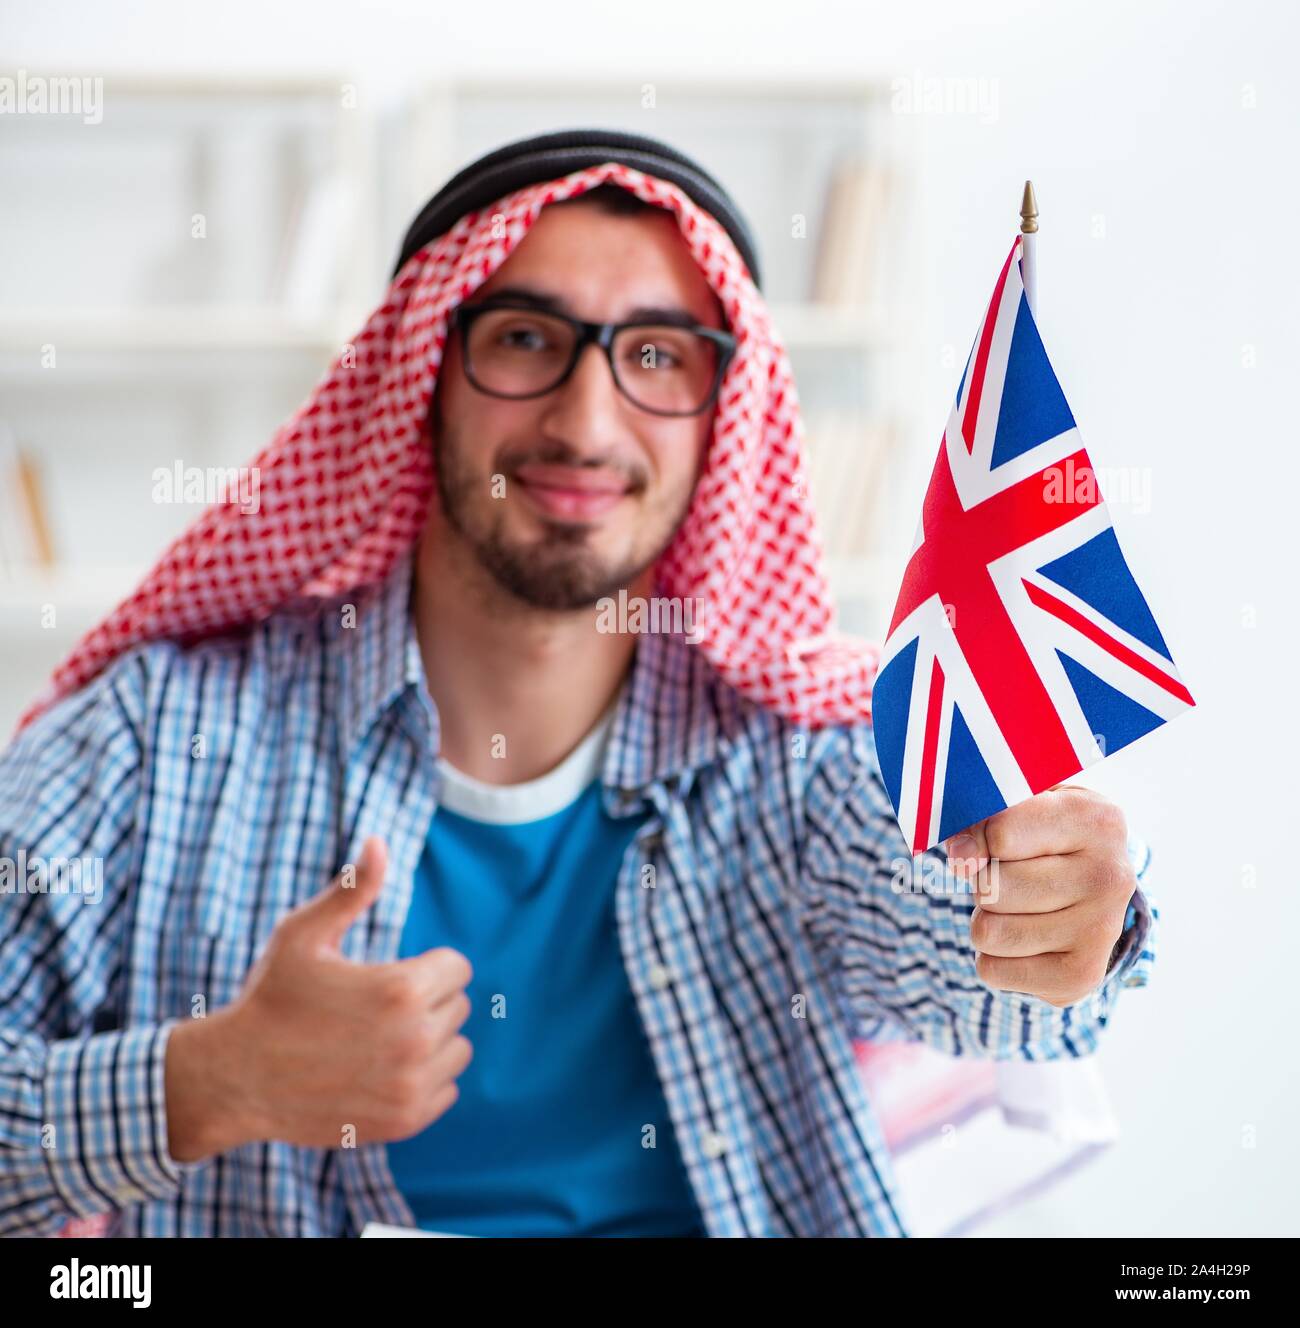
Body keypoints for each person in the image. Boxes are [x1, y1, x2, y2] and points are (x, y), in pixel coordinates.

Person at [0, 130, 1155, 1238]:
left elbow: (974, 972)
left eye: (657, 354)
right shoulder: (158, 737)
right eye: (523, 339)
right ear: (421, 378)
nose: (586, 421)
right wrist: (207, 1079)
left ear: (722, 422)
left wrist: (1053, 905)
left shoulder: (808, 751)